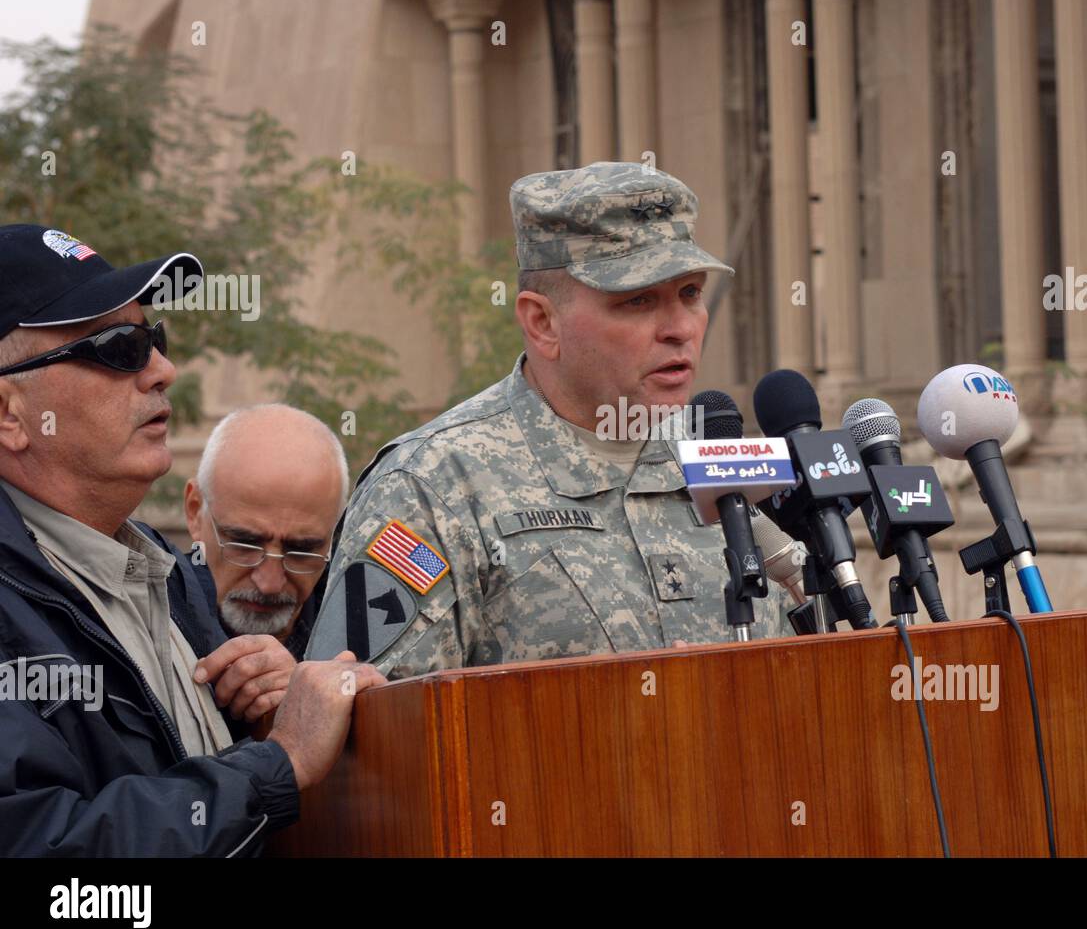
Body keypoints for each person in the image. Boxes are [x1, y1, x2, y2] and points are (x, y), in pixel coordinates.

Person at [306, 162, 785, 677]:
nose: (680, 328)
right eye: (639, 300)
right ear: (542, 322)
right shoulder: (431, 489)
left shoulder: (718, 463)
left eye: (690, 294)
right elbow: (373, 734)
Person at [0, 224, 384, 856]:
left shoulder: (162, 572)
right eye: (119, 348)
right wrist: (278, 763)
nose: (163, 370)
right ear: (10, 415)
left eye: (154, 337)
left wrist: (264, 710)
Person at [184, 404, 348, 660]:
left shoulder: (370, 630)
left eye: (301, 551)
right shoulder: (143, 626)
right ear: (195, 512)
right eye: (245, 544)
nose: (270, 584)